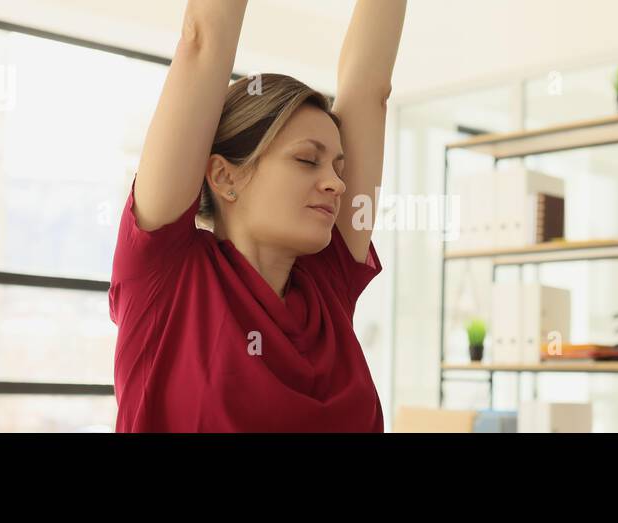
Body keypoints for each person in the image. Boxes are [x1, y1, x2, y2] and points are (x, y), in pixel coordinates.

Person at [108, 0, 406, 432]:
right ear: (225, 175)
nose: (338, 184)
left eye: (339, 169)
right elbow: (203, 41)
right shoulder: (166, 274)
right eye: (307, 160)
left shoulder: (327, 282)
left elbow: (370, 90)